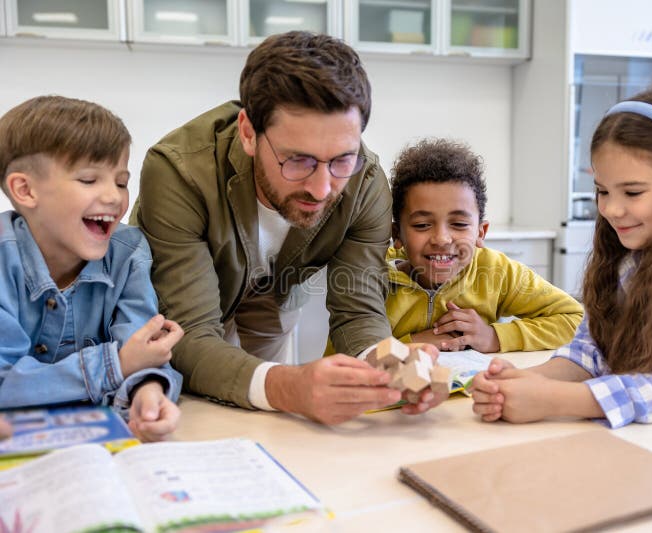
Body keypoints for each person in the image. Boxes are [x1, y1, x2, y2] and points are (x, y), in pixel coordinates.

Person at [131, 31, 439, 425]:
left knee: (265, 410)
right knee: (216, 401)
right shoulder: (178, 172)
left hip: (276, 290)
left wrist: (398, 370)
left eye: (342, 160)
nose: (322, 188)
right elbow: (189, 333)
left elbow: (359, 313)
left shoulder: (365, 184)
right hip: (188, 305)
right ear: (248, 132)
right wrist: (287, 386)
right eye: (298, 161)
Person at [471, 82, 652, 433]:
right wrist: (521, 382)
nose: (611, 209)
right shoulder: (627, 251)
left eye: (633, 191)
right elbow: (591, 351)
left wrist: (551, 399)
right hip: (643, 436)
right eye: (602, 191)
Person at [0, 96, 184, 442]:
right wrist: (115, 365)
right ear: (25, 190)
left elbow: (140, 349)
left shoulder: (127, 254)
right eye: (89, 180)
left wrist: (148, 391)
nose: (114, 197)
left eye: (121, 181)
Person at [386, 138, 583, 353]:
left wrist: (494, 337)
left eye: (459, 224)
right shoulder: (371, 278)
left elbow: (575, 319)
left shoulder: (495, 271)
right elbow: (350, 347)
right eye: (422, 225)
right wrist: (408, 344)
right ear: (397, 234)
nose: (442, 239)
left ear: (481, 232)